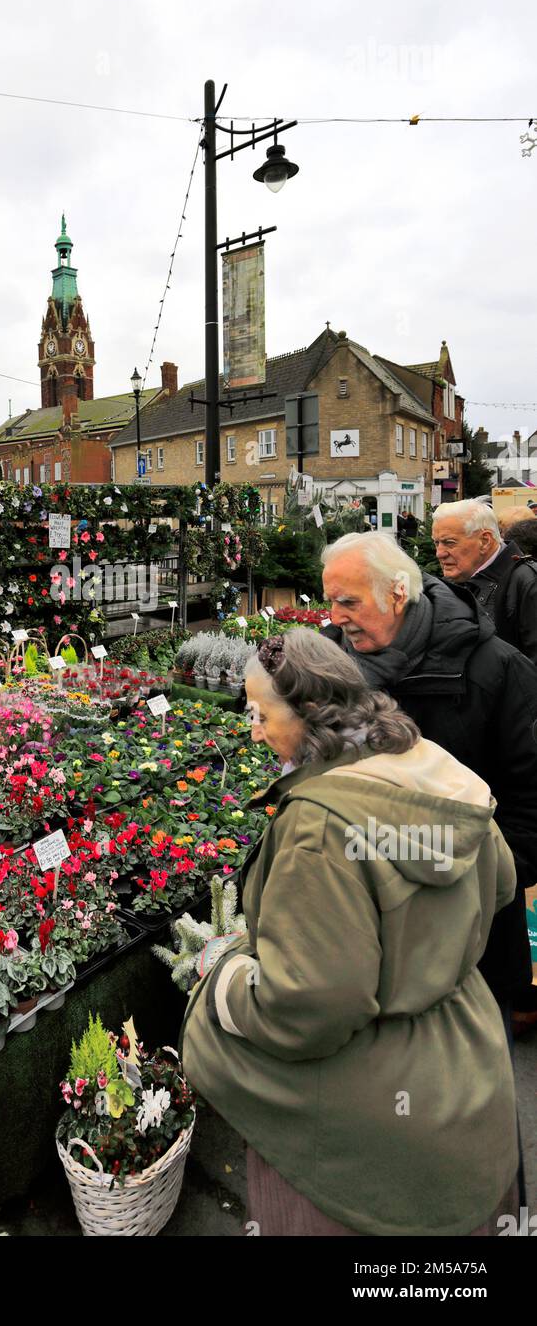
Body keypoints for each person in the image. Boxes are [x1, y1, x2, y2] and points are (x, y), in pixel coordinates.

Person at [180, 629, 518, 1236]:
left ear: (310, 713)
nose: (251, 729)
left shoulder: (319, 826)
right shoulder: (423, 770)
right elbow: (501, 881)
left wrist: (225, 975)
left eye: (260, 713)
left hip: (368, 1126)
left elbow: (310, 1005)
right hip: (470, 1077)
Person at [318, 531, 537, 1016]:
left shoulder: (494, 669)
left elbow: (531, 801)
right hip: (367, 930)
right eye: (330, 601)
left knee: (465, 1076)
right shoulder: (332, 666)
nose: (335, 617)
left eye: (348, 601)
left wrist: (477, 882)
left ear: (397, 593)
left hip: (472, 932)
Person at [432, 499, 537, 665]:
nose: (439, 553)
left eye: (449, 543)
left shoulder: (527, 581)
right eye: (436, 543)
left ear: (485, 541)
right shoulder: (453, 582)